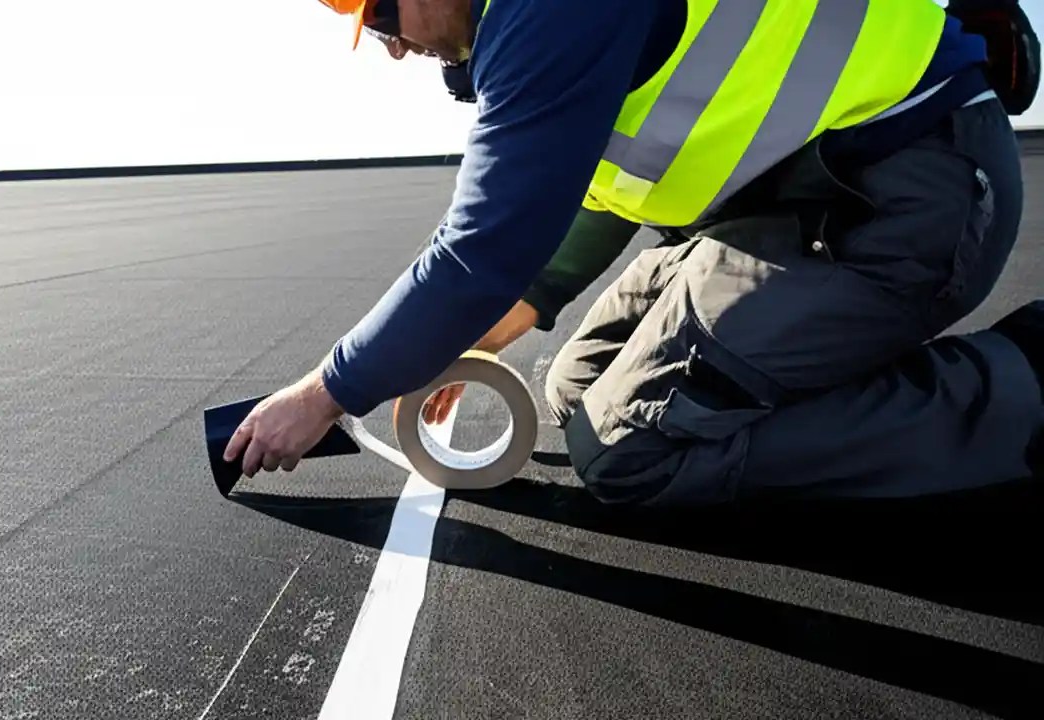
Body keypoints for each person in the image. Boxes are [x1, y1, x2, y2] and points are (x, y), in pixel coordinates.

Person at [224, 0, 1044, 506]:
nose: (394, 48)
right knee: (576, 387)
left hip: (910, 203)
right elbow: (585, 208)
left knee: (629, 452)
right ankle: (790, 361)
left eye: (382, 17)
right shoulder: (549, 29)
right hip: (798, 212)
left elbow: (482, 247)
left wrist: (325, 392)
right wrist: (464, 349)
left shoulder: (551, 12)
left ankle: (1020, 389)